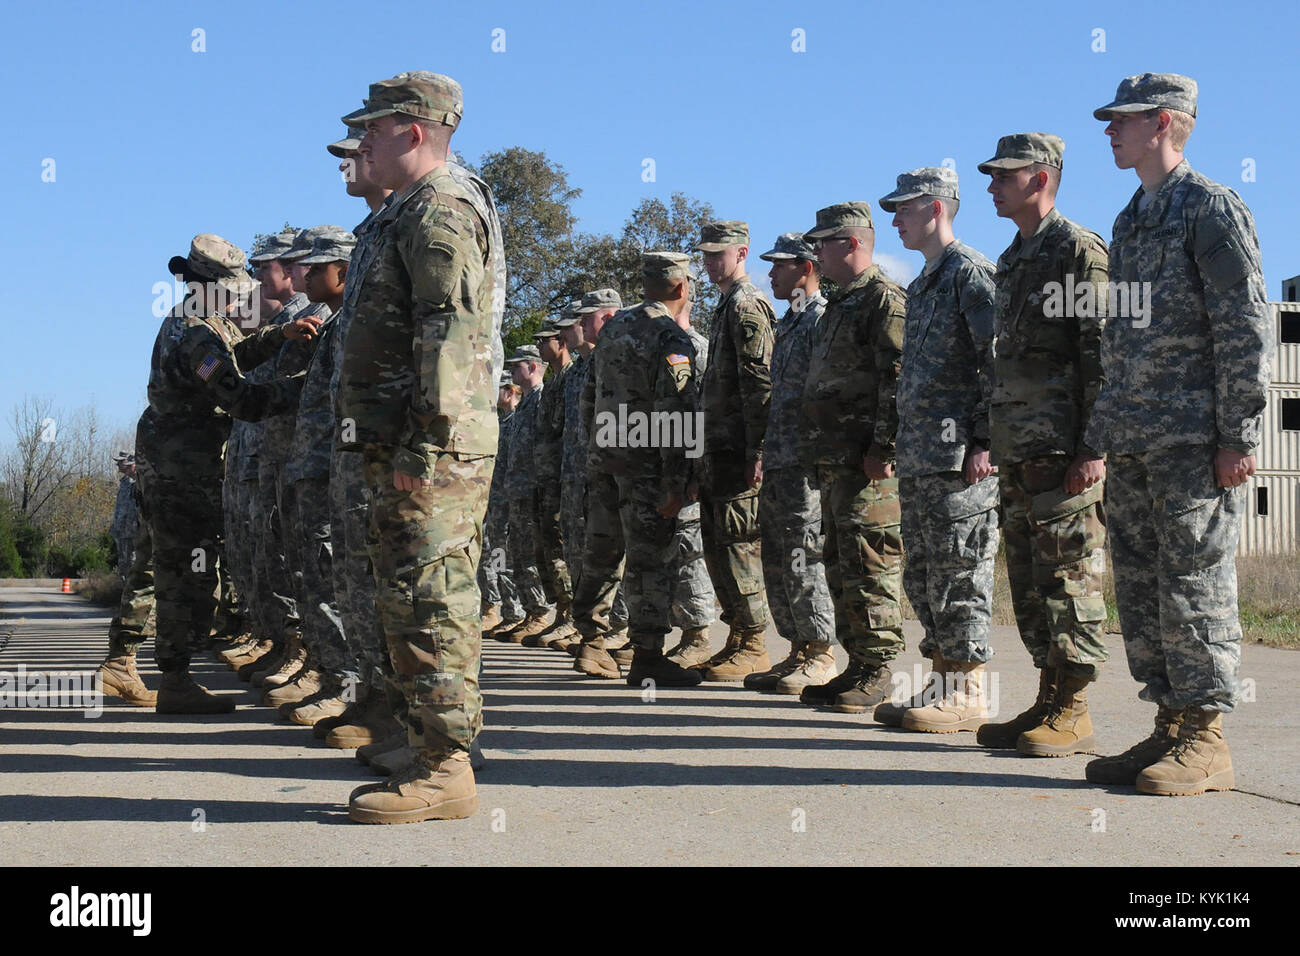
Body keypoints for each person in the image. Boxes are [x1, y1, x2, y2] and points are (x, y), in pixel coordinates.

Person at [1084, 73, 1271, 796]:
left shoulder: (1210, 208)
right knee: (1141, 587)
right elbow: (1118, 340)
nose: (1110, 131)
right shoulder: (1132, 219)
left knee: (1195, 585)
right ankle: (1168, 723)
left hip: (1195, 439)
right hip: (1135, 438)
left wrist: (1238, 433)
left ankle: (1206, 737)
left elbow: (1244, 324)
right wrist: (1101, 434)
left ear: (1162, 123)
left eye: (1121, 120)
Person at [339, 71, 500, 822]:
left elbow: (450, 333)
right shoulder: (404, 211)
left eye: (373, 125)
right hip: (402, 444)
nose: (362, 138)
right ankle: (423, 741)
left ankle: (446, 769)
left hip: (431, 450)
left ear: (413, 129)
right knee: (405, 602)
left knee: (432, 602)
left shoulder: (442, 208)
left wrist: (422, 449)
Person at [141, 233, 319, 714]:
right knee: (189, 575)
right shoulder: (195, 334)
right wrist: (309, 387)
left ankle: (176, 676)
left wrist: (277, 337)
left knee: (187, 569)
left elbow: (233, 356)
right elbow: (239, 398)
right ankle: (176, 681)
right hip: (184, 471)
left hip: (177, 465)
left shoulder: (193, 323)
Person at [975, 132, 1110, 756]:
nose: (992, 186)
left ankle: (1074, 706)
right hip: (1019, 450)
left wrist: (1094, 447)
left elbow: (1101, 354)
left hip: (1062, 451)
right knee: (1029, 582)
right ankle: (1049, 695)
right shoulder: (1013, 258)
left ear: (1041, 178)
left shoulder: (1077, 251)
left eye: (1004, 176)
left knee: (1069, 578)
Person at [875, 168, 999, 733]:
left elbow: (994, 359)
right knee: (925, 575)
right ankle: (944, 676)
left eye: (903, 209)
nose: (894, 220)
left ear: (936, 209)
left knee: (961, 570)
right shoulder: (923, 284)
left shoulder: (969, 274)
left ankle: (970, 688)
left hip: (959, 460)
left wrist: (985, 438)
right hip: (923, 458)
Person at [572, 252, 705, 687]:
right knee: (650, 556)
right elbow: (678, 409)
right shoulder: (669, 336)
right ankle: (648, 654)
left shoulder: (613, 329)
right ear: (682, 288)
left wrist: (593, 448)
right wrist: (679, 478)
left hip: (606, 455)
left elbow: (589, 396)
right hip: (646, 465)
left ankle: (591, 640)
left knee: (602, 551)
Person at [797, 203, 905, 713]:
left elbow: (897, 376)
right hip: (835, 461)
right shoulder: (840, 305)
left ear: (854, 243)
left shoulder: (882, 299)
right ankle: (857, 664)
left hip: (867, 465)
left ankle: (879, 668)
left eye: (824, 243)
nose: (816, 253)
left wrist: (883, 447)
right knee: (840, 565)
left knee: (870, 564)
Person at [743, 233, 836, 694]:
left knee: (804, 555)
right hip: (780, 458)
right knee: (778, 560)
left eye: (779, 266)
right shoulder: (789, 323)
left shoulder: (821, 319)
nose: (772, 274)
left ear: (805, 267)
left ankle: (822, 652)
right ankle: (798, 646)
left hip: (806, 463)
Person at [278, 230, 360, 726]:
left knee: (336, 578)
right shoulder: (327, 326)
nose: (304, 274)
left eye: (316, 266)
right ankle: (334, 678)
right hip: (313, 470)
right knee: (315, 575)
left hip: (337, 471)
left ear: (344, 272)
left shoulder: (353, 322)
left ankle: (350, 685)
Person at [693, 220, 775, 682]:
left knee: (740, 547)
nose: (709, 263)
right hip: (717, 453)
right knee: (720, 548)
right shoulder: (725, 306)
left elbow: (760, 384)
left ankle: (755, 641)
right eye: (704, 255)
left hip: (738, 452)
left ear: (742, 253)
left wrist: (757, 448)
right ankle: (739, 637)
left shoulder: (746, 306)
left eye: (717, 254)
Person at [495, 344, 555, 643]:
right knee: (518, 555)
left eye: (518, 366)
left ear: (532, 367)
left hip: (532, 490)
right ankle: (530, 612)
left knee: (532, 555)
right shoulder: (525, 406)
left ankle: (540, 612)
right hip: (516, 491)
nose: (513, 371)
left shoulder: (542, 398)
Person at [526, 317, 577, 648]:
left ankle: (573, 615)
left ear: (561, 343)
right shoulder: (557, 383)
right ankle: (562, 611)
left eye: (546, 340)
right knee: (546, 550)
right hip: (547, 479)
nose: (542, 345)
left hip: (565, 478)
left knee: (564, 550)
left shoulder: (572, 376)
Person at [97, 448, 156, 705]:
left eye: (124, 462)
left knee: (140, 573)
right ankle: (122, 660)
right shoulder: (126, 483)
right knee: (132, 576)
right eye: (119, 463)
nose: (120, 466)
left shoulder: (141, 480)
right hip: (125, 534)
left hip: (137, 532)